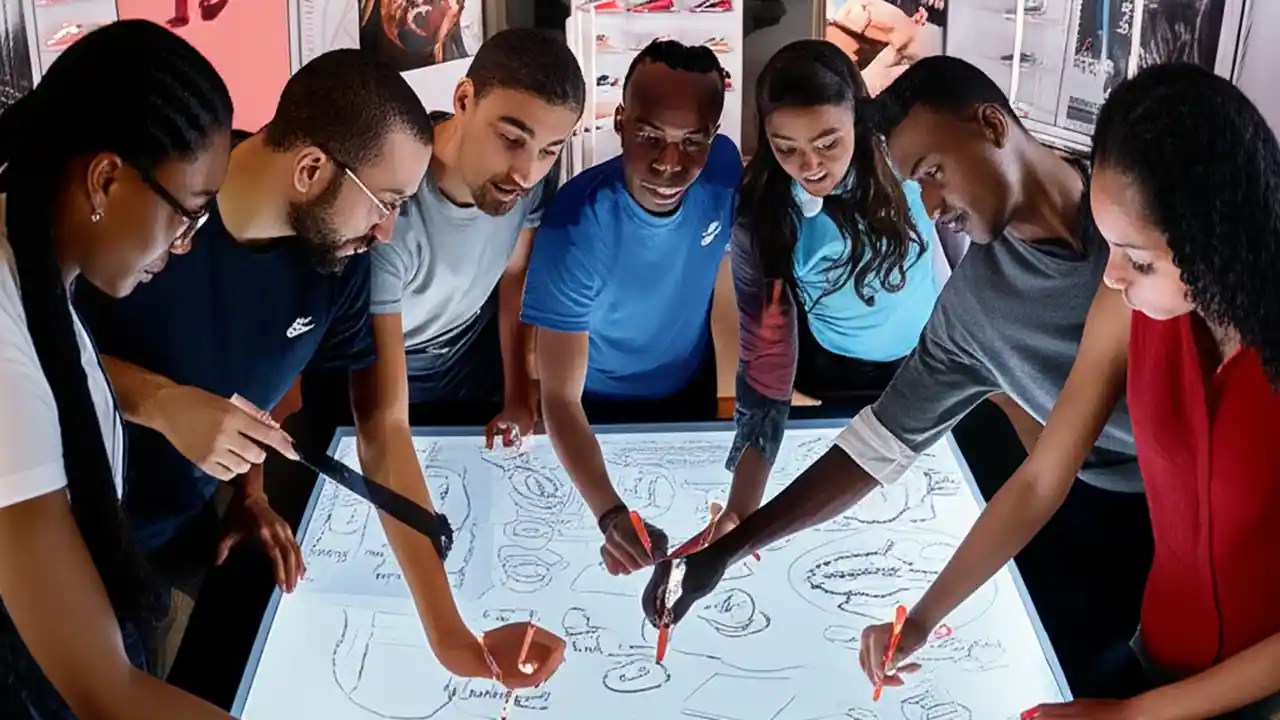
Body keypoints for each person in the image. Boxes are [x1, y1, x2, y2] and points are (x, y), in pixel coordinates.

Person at [642, 55, 1153, 697]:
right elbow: (880, 443)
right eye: (787, 147)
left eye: (934, 173)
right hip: (1106, 500)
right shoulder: (972, 309)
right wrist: (727, 547)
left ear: (992, 124)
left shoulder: (1136, 214)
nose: (932, 204)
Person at [74, 48, 564, 685]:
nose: (387, 231)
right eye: (385, 202)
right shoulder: (160, 201)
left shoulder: (339, 261)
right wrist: (158, 401)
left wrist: (451, 638)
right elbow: (27, 342)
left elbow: (382, 429)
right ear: (310, 168)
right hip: (54, 529)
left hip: (173, 538)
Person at [869, 63, 1280, 720]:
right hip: (1155, 654)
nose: (1111, 276)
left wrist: (1130, 717)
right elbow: (1041, 481)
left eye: (1137, 258)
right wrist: (923, 615)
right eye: (1108, 246)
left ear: (1211, 237)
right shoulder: (1132, 308)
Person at [0, 19, 240, 719]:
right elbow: (105, 691)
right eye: (186, 215)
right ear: (105, 178)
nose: (186, 245)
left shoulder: (35, 263)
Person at [521, 39, 741, 575]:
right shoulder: (576, 225)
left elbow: (724, 285)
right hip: (599, 411)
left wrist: (730, 405)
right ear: (619, 123)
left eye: (693, 141)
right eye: (650, 137)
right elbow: (559, 396)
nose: (670, 163)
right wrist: (608, 512)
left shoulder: (724, 171)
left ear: (713, 136)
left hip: (691, 389)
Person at [715, 39, 941, 551]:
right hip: (842, 371)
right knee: (858, 513)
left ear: (859, 121)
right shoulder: (767, 219)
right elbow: (766, 358)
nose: (810, 165)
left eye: (827, 143)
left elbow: (952, 252)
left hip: (931, 359)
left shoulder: (906, 158)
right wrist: (740, 512)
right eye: (785, 147)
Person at [360, 27, 583, 444]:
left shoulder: (531, 184)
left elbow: (515, 275)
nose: (526, 172)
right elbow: (384, 417)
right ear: (464, 100)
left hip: (476, 364)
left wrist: (518, 393)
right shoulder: (389, 199)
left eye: (550, 150)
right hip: (390, 370)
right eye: (511, 139)